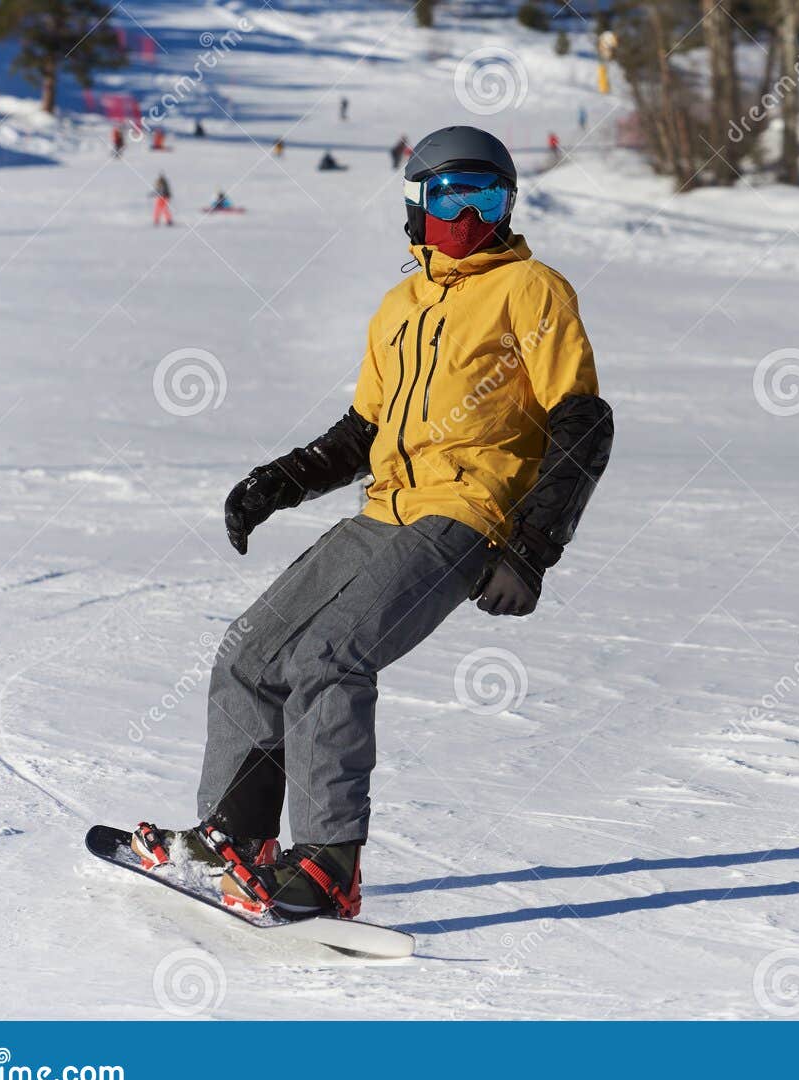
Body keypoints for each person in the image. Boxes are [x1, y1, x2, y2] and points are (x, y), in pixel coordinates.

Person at [128, 125, 614, 921]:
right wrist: (276, 483)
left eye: (486, 196)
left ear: (509, 203)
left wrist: (532, 548)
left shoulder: (533, 291)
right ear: (417, 206)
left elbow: (583, 424)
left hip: (467, 511)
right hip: (386, 506)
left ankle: (328, 864)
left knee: (328, 655)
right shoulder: (400, 304)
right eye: (451, 196)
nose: (469, 214)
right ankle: (236, 838)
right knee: (251, 650)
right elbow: (364, 431)